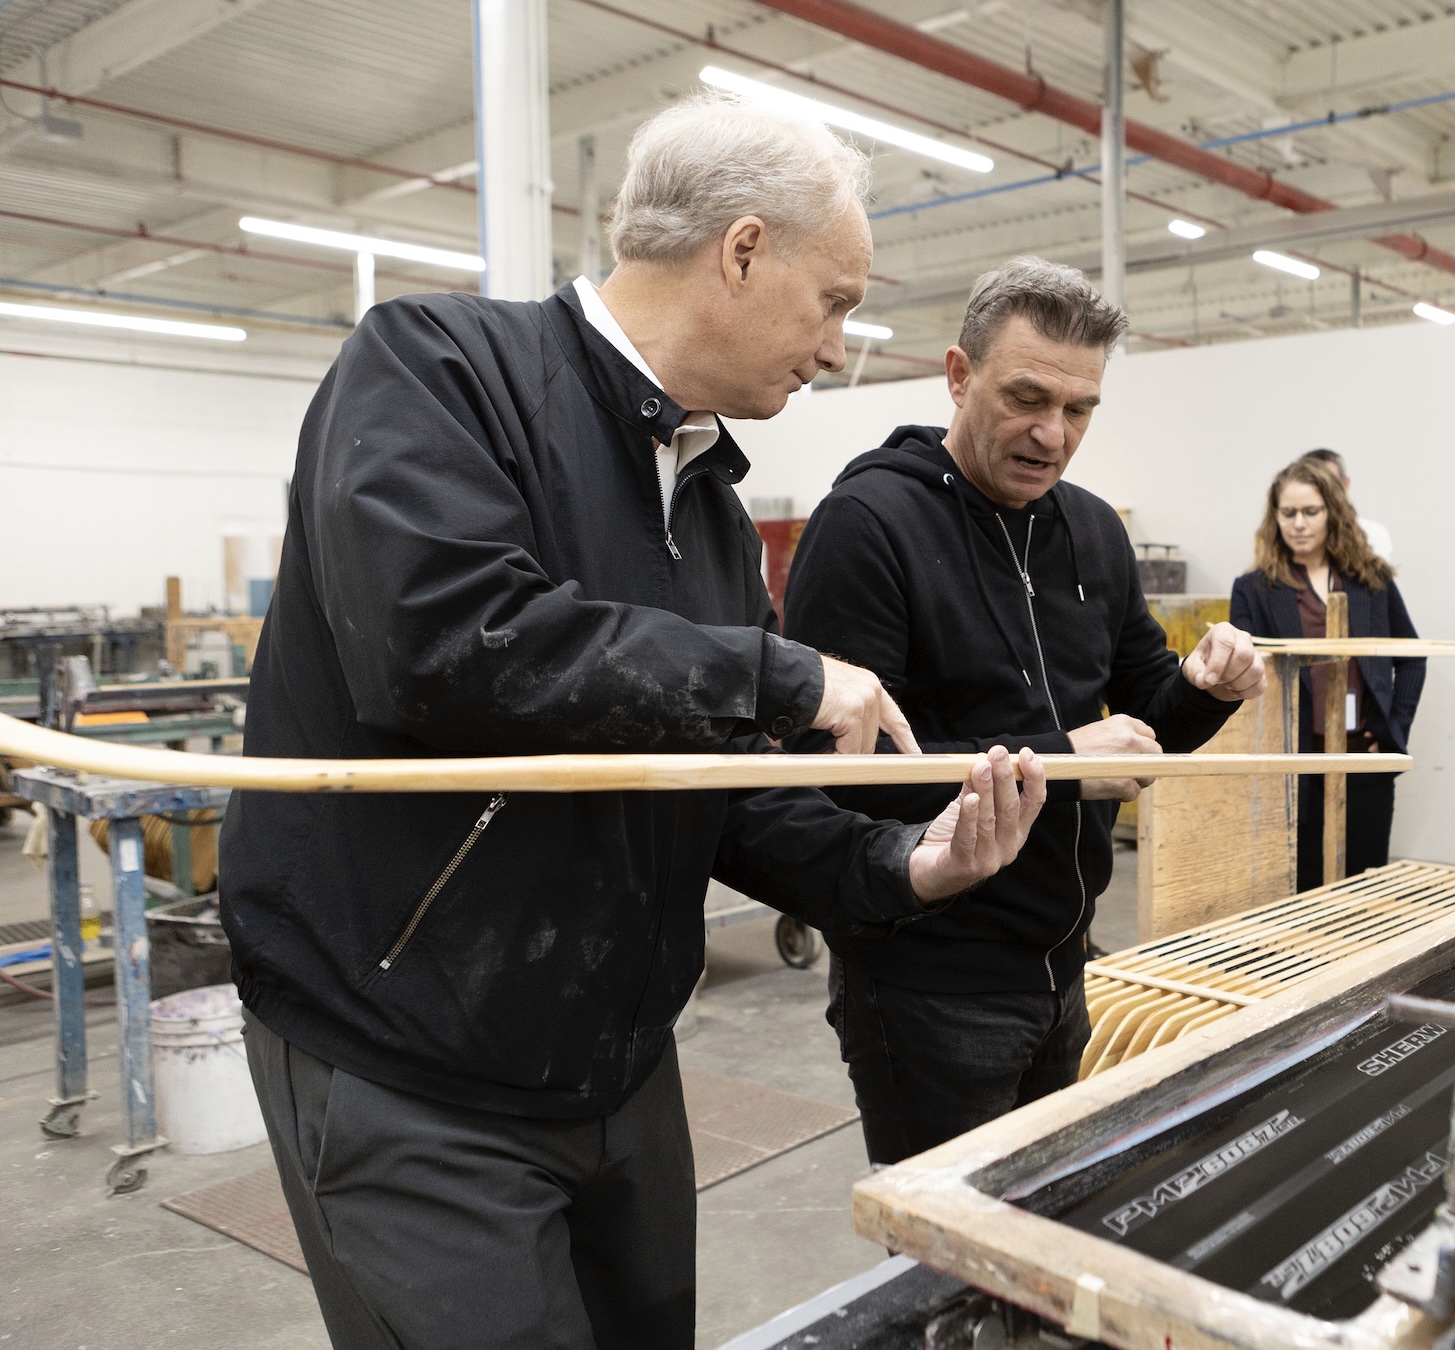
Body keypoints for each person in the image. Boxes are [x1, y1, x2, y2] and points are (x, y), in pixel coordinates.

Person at [219, 95, 1047, 1350]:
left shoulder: (709, 504)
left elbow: (722, 780)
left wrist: (899, 866)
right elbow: (440, 643)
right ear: (743, 251)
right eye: (834, 301)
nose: (837, 349)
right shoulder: (438, 367)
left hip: (618, 1063)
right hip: (408, 1057)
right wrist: (776, 673)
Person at [782, 256, 1265, 1165]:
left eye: (1080, 409)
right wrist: (1064, 759)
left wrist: (1205, 688)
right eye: (1027, 398)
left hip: (1065, 959)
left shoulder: (1093, 530)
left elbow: (1148, 722)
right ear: (959, 376)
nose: (1053, 434)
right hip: (929, 976)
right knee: (948, 1237)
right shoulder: (869, 524)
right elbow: (845, 781)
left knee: (1045, 1207)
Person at [1230, 457, 1425, 890]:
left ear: (1332, 512)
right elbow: (1241, 675)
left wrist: (1392, 729)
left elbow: (1413, 657)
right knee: (1301, 888)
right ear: (1275, 517)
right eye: (1288, 513)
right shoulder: (1254, 589)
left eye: (1311, 512)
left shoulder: (1371, 580)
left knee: (1365, 884)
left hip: (1364, 759)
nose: (1299, 523)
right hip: (1293, 764)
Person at [1299, 447, 1392, 560]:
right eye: (1311, 482)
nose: (1321, 490)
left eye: (1330, 482)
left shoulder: (1372, 533)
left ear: (1345, 485)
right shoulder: (1289, 533)